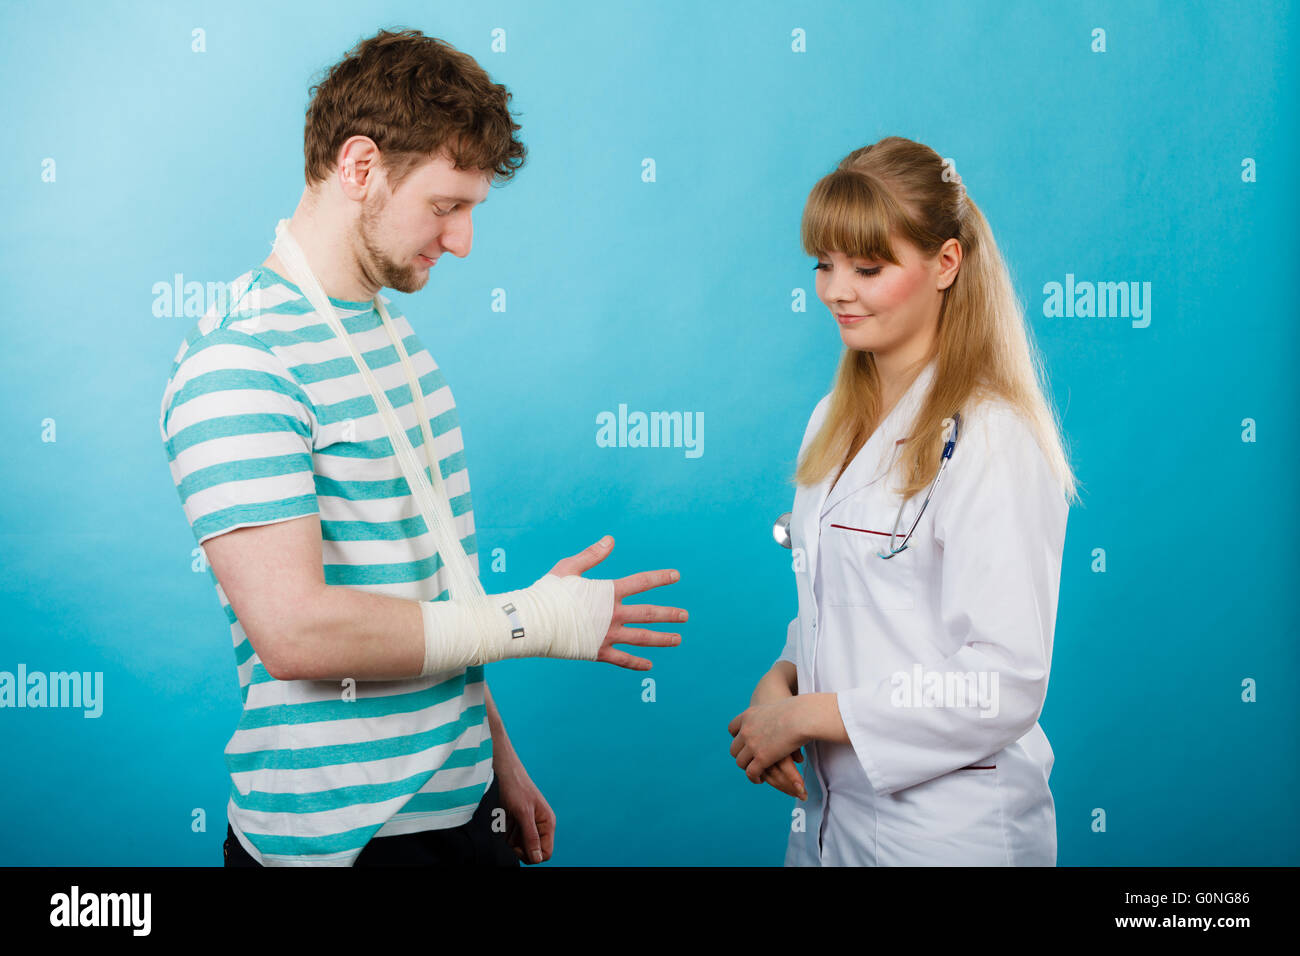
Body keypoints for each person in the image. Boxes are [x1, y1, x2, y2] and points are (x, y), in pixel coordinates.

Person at [158, 28, 686, 868]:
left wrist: (493, 765)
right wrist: (536, 619)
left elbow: (435, 590)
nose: (465, 240)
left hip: (459, 811)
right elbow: (296, 632)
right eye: (447, 206)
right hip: (340, 847)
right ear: (359, 167)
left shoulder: (394, 339)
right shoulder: (241, 362)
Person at [728, 136, 1079, 866]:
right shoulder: (831, 420)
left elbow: (1004, 680)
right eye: (823, 264)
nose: (835, 290)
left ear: (946, 263)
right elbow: (856, 604)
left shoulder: (993, 438)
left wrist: (805, 717)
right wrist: (782, 677)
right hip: (835, 826)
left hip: (951, 832)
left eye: (868, 267)